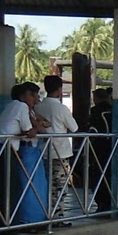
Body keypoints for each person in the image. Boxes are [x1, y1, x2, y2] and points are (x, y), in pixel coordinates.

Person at [0, 82, 47, 225]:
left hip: (0, 148)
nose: (35, 100)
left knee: (2, 189)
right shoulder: (22, 106)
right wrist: (36, 126)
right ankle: (11, 224)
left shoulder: (11, 105)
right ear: (26, 95)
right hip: (6, 149)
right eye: (34, 96)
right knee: (10, 189)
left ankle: (2, 225)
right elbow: (29, 131)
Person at [34, 75, 81, 217]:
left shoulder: (37, 107)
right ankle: (56, 216)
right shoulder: (61, 108)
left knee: (43, 185)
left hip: (41, 152)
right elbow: (74, 128)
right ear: (59, 90)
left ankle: (43, 214)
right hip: (60, 153)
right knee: (59, 186)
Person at [82, 86, 115, 212]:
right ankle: (110, 202)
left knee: (97, 176)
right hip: (113, 146)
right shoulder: (114, 110)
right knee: (110, 175)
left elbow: (92, 129)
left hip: (99, 148)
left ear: (96, 98)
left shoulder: (95, 111)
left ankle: (102, 204)